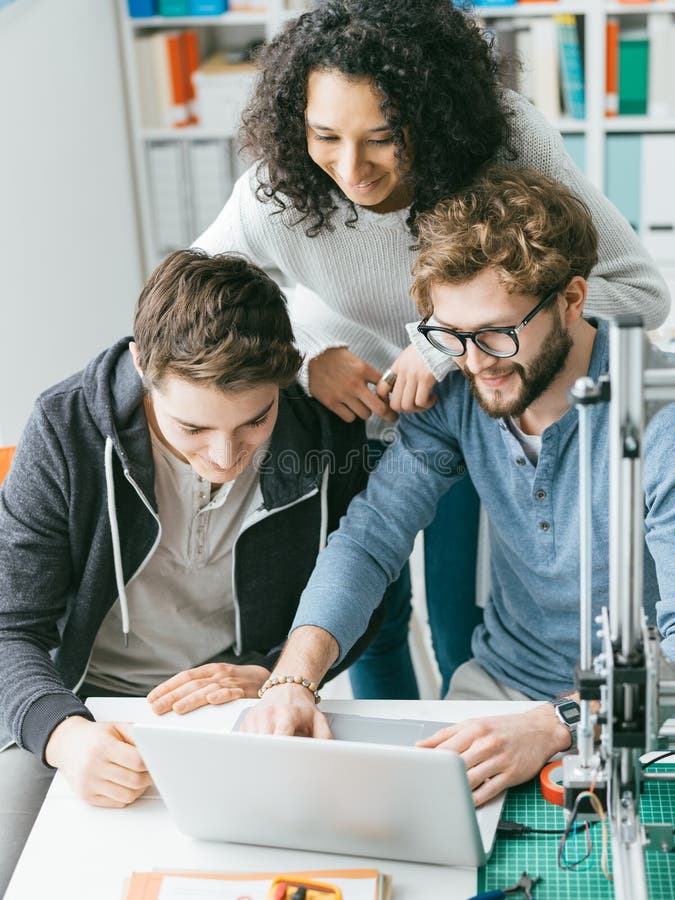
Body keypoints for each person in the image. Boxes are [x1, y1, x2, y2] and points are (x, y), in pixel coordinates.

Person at [193, 0, 670, 699]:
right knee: (378, 614)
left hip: (463, 385)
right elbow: (194, 303)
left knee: (456, 618)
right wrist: (301, 357)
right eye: (325, 135)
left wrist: (443, 350)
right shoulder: (276, 192)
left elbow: (636, 293)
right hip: (379, 397)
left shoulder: (506, 147)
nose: (349, 170)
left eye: (381, 137)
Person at [230, 166, 675, 805]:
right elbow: (371, 538)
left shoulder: (658, 418)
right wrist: (292, 680)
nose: (476, 363)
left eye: (498, 332)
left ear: (574, 300)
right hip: (501, 688)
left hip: (644, 713)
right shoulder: (463, 394)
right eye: (452, 337)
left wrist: (558, 722)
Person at [0, 249, 381, 893]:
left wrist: (273, 671)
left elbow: (368, 601)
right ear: (146, 370)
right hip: (83, 706)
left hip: (246, 707)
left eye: (256, 420)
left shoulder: (324, 434)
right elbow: (10, 628)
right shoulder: (64, 427)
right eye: (193, 427)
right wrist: (64, 736)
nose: (225, 455)